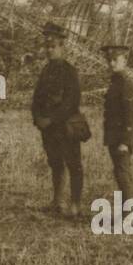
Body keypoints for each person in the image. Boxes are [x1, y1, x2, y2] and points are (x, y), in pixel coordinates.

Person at [31, 22, 84, 216]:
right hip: (49, 128)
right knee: (55, 163)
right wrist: (37, 118)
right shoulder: (46, 70)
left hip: (65, 126)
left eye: (53, 46)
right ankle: (57, 202)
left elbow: (72, 102)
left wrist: (51, 119)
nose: (49, 50)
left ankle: (76, 204)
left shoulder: (69, 71)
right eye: (47, 46)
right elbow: (37, 98)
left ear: (62, 47)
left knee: (74, 165)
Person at [101, 44, 133, 203]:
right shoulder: (115, 82)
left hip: (122, 137)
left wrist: (126, 141)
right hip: (114, 136)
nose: (111, 63)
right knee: (120, 172)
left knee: (124, 174)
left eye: (115, 60)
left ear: (124, 61)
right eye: (109, 60)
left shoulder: (126, 84)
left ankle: (129, 213)